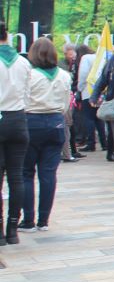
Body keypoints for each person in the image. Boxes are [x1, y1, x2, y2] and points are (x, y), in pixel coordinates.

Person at [21, 38, 70, 232]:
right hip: (56, 123)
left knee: (26, 173)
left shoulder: (30, 75)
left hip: (31, 122)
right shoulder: (65, 75)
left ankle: (28, 220)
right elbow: (66, 104)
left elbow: (22, 99)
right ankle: (43, 221)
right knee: (48, 174)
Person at [0, 23, 30, 246]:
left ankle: (0, 233)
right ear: (7, 36)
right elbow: (27, 94)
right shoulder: (23, 61)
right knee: (16, 177)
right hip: (19, 119)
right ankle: (13, 230)